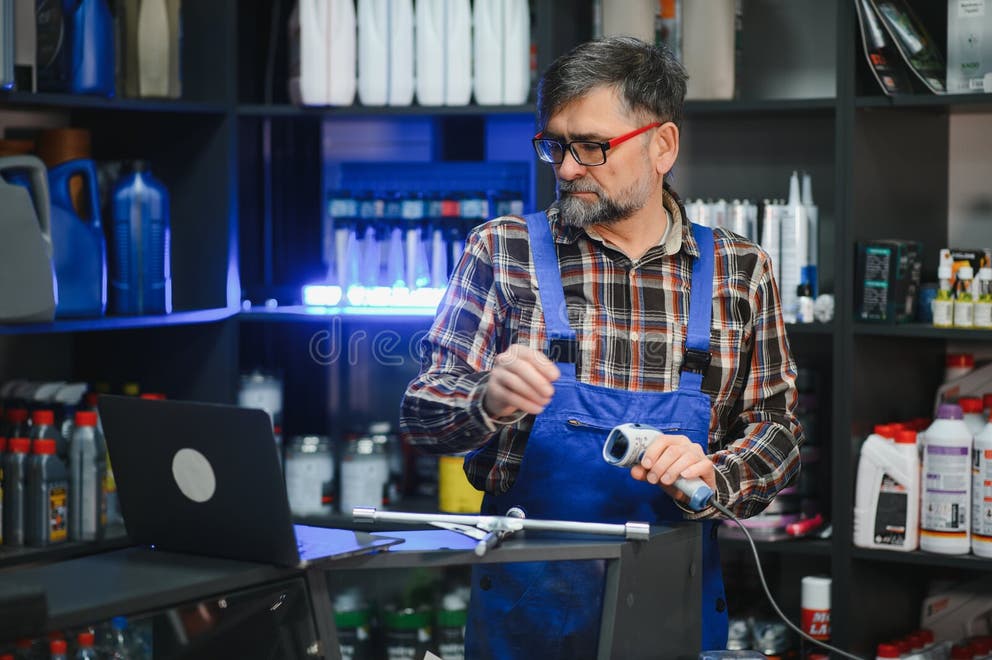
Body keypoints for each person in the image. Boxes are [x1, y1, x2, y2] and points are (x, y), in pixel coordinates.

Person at [399, 36, 803, 658]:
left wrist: (712, 474)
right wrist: (486, 401)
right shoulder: (501, 251)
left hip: (674, 613)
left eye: (591, 146)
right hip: (525, 617)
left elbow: (776, 434)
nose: (565, 168)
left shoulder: (740, 270)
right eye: (555, 145)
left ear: (662, 145)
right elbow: (423, 416)